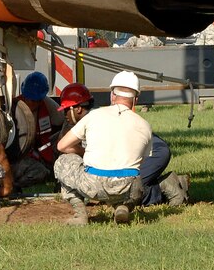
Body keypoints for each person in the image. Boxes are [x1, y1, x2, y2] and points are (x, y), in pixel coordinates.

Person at [56, 81, 188, 208]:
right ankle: (162, 185)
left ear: (78, 108)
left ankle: (166, 186)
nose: (64, 115)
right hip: (155, 148)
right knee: (118, 187)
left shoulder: (92, 118)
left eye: (65, 110)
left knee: (120, 192)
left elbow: (63, 146)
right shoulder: (99, 114)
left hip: (156, 151)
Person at [54, 71, 153, 225]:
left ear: (112, 95)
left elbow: (61, 146)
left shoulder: (93, 116)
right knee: (135, 175)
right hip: (127, 188)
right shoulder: (145, 126)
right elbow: (140, 162)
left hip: (92, 185)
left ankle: (80, 216)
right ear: (136, 99)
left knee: (63, 161)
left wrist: (84, 152)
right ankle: (123, 206)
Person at [8, 71, 64, 188]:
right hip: (16, 157)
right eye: (30, 99)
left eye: (37, 100)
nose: (33, 103)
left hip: (40, 153)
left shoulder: (47, 105)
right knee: (40, 172)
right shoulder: (12, 108)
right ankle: (12, 186)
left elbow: (61, 119)